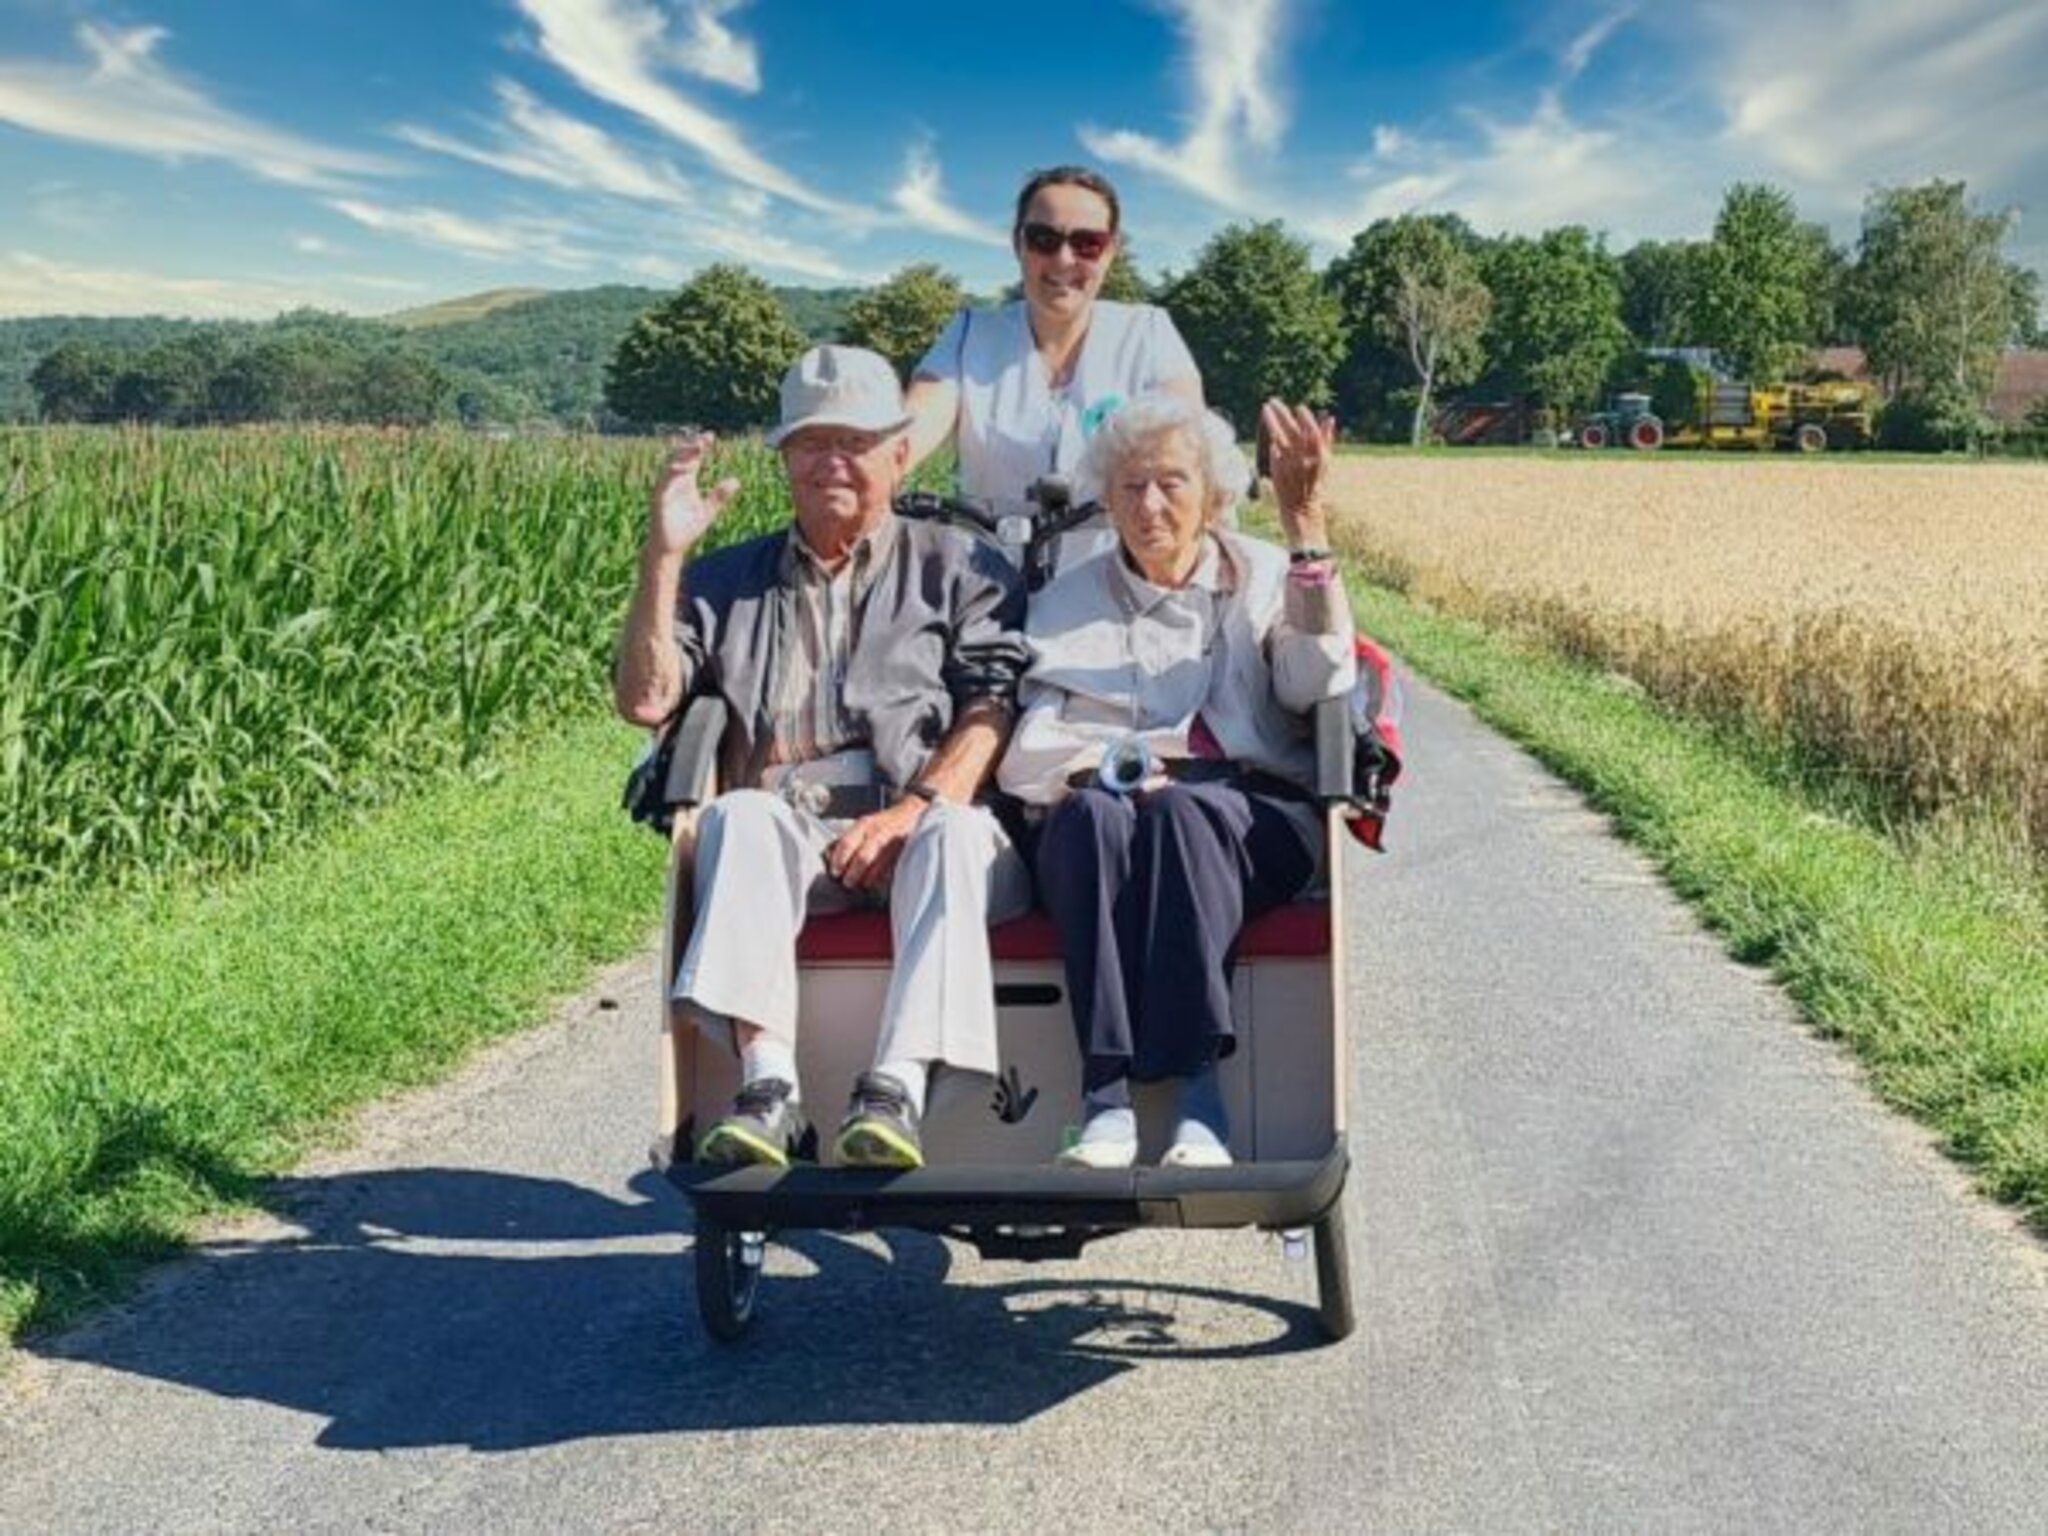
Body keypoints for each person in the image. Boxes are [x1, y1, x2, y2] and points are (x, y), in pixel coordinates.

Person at [613, 344, 1033, 1171]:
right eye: (811, 443)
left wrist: (914, 807)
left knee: (950, 832)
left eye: (856, 441)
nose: (832, 461)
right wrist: (663, 560)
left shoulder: (962, 566)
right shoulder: (726, 579)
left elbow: (993, 705)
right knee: (738, 813)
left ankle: (897, 1089)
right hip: (790, 834)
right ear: (783, 459)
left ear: (900, 453)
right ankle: (768, 1089)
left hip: (927, 826)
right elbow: (648, 700)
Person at [996, 393, 1356, 1170]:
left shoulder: (1263, 575)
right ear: (1106, 499)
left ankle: (1198, 1099)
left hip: (1251, 815)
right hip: (1106, 811)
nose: (1150, 505)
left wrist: (1306, 533)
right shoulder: (1064, 603)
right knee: (1094, 820)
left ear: (1214, 497)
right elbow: (1025, 757)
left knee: (1182, 818)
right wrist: (1100, 769)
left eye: (1171, 483)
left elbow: (1316, 682)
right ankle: (1106, 1100)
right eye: (1130, 486)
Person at [905, 165, 1203, 570]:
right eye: (1043, 239)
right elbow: (912, 425)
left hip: (1115, 584)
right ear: (1018, 244)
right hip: (984, 586)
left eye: (1087, 243)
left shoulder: (1148, 333)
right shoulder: (970, 333)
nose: (1063, 260)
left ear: (1111, 251)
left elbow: (1187, 443)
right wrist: (872, 465)